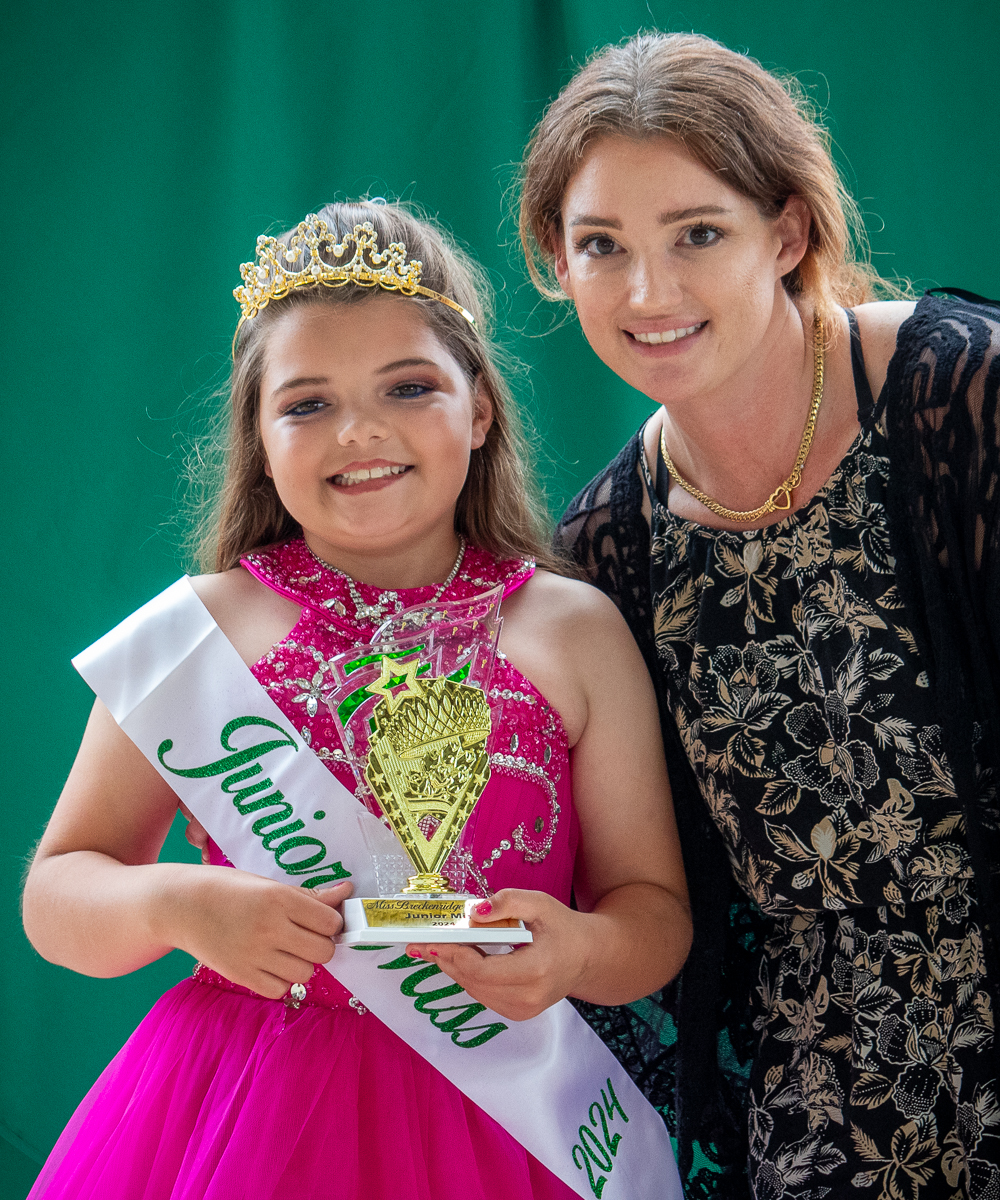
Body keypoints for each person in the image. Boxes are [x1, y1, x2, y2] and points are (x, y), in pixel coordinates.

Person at [21, 200, 692, 1200]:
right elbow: (56, 895)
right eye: (306, 404)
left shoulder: (574, 631)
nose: (361, 431)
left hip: (513, 1117)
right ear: (257, 434)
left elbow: (655, 915)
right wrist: (177, 903)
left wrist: (577, 951)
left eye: (408, 386)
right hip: (244, 1106)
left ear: (478, 408)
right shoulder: (194, 636)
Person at [518, 31, 1000, 1200]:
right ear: (555, 264)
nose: (649, 292)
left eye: (697, 233)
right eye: (601, 246)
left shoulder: (962, 393)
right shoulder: (604, 548)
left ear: (786, 232)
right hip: (816, 1107)